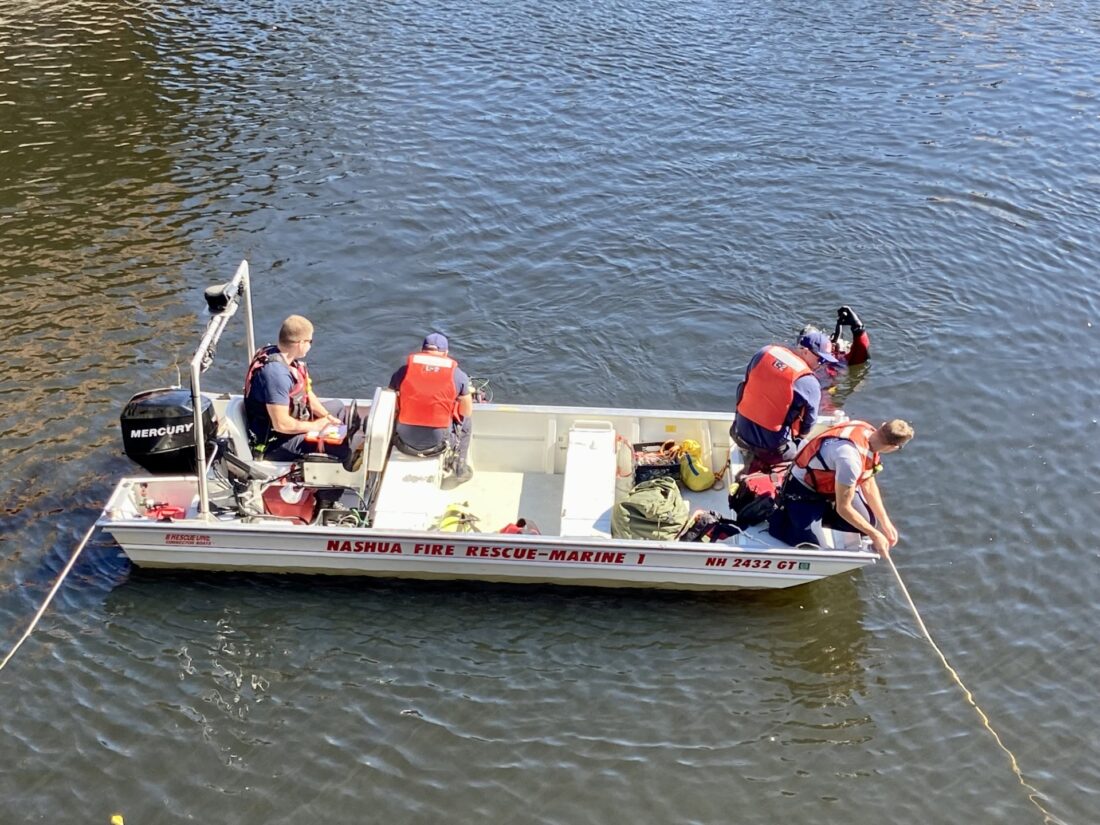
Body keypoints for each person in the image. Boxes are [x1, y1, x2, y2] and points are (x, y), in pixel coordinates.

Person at [767, 419, 913, 554]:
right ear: (894, 447)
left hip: (830, 486)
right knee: (808, 543)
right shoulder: (850, 460)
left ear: (882, 425)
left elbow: (867, 482)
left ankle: (822, 516)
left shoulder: (865, 431)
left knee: (868, 522)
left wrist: (885, 522)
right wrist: (875, 535)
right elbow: (843, 508)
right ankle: (807, 518)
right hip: (803, 488)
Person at [243, 315, 348, 461]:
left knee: (338, 408)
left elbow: (307, 393)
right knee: (339, 448)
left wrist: (326, 417)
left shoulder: (283, 357)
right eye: (310, 341)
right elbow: (281, 424)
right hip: (274, 441)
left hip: (293, 421)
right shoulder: (276, 376)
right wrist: (315, 426)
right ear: (300, 343)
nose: (310, 345)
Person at [731, 330, 839, 470]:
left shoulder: (764, 352)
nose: (822, 364)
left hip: (738, 432)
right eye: (821, 359)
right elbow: (808, 425)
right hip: (773, 451)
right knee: (811, 452)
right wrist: (797, 439)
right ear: (805, 351)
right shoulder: (809, 382)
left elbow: (745, 385)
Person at [389, 333, 474, 483]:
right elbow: (465, 411)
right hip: (436, 445)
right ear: (446, 353)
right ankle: (460, 465)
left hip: (403, 442)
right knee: (466, 420)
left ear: (422, 351)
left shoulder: (403, 372)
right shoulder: (458, 375)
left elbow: (390, 400)